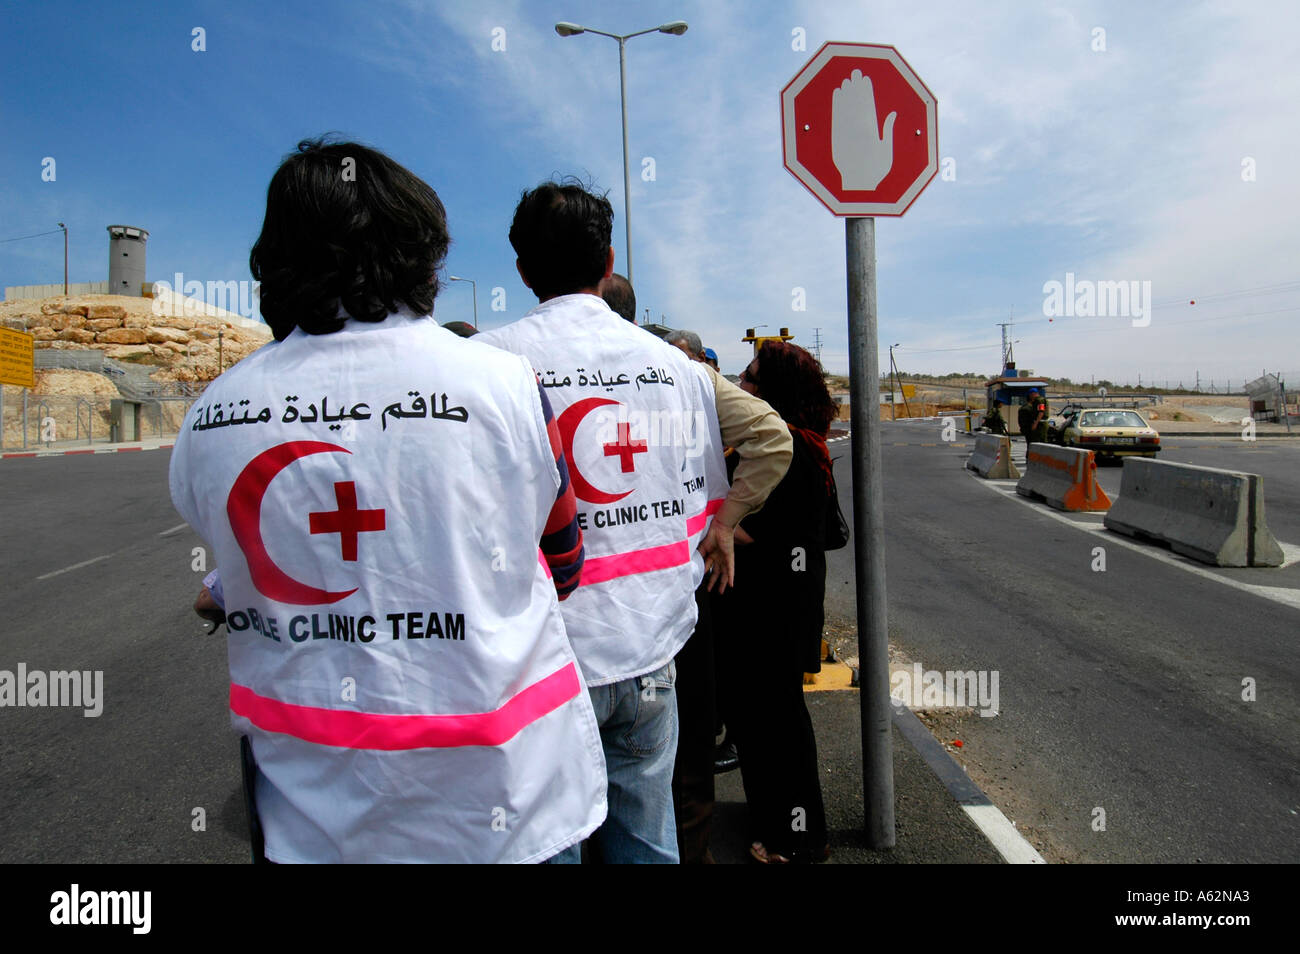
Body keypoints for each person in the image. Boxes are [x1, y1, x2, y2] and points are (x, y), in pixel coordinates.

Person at [168, 139, 605, 863]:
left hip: (314, 821)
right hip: (507, 800)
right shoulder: (506, 385)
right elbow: (564, 566)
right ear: (422, 255)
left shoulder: (213, 414)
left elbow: (240, 561)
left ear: (274, 259)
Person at [477, 179, 791, 863]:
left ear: (522, 269)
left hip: (541, 666)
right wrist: (725, 521)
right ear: (608, 260)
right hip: (649, 654)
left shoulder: (483, 367)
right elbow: (772, 436)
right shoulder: (677, 368)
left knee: (548, 844)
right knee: (647, 843)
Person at [715, 341, 835, 864]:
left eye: (750, 377)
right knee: (764, 717)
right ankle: (778, 820)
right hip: (780, 602)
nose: (742, 384)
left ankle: (797, 839)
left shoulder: (784, 446)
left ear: (775, 390)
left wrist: (712, 520)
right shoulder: (802, 440)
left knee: (774, 722)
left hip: (770, 609)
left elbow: (751, 531)